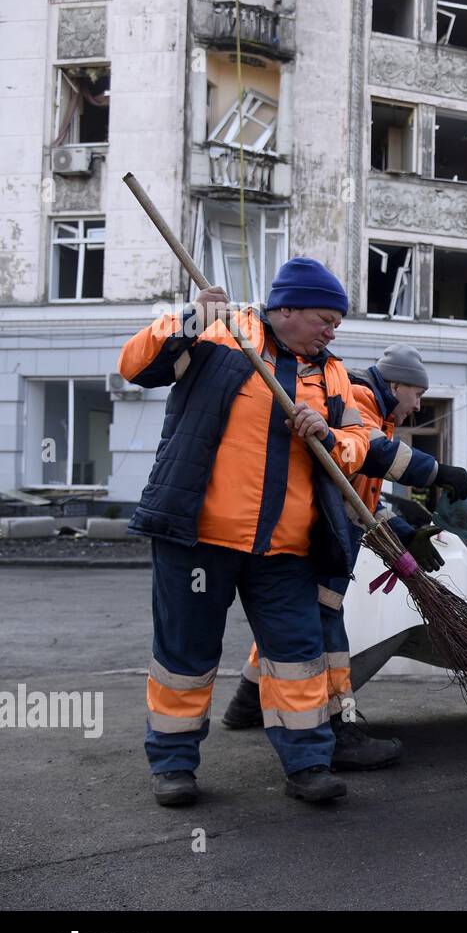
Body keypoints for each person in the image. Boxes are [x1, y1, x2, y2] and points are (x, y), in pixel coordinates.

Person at [119, 258, 372, 806]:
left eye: (337, 322)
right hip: (197, 540)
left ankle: (308, 764)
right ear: (286, 308)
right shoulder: (221, 333)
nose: (333, 330)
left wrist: (328, 437)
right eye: (325, 318)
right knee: (185, 656)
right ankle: (173, 766)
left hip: (284, 550)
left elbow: (358, 446)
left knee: (297, 658)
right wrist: (190, 317)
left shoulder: (331, 374)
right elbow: (135, 366)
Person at [223, 344, 467, 770]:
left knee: (297, 623)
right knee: (325, 630)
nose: (417, 406)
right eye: (417, 395)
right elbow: (375, 454)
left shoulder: (379, 410)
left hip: (326, 529)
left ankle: (246, 704)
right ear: (396, 385)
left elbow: (362, 496)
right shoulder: (359, 399)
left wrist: (404, 535)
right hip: (318, 534)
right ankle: (339, 730)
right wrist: (438, 472)